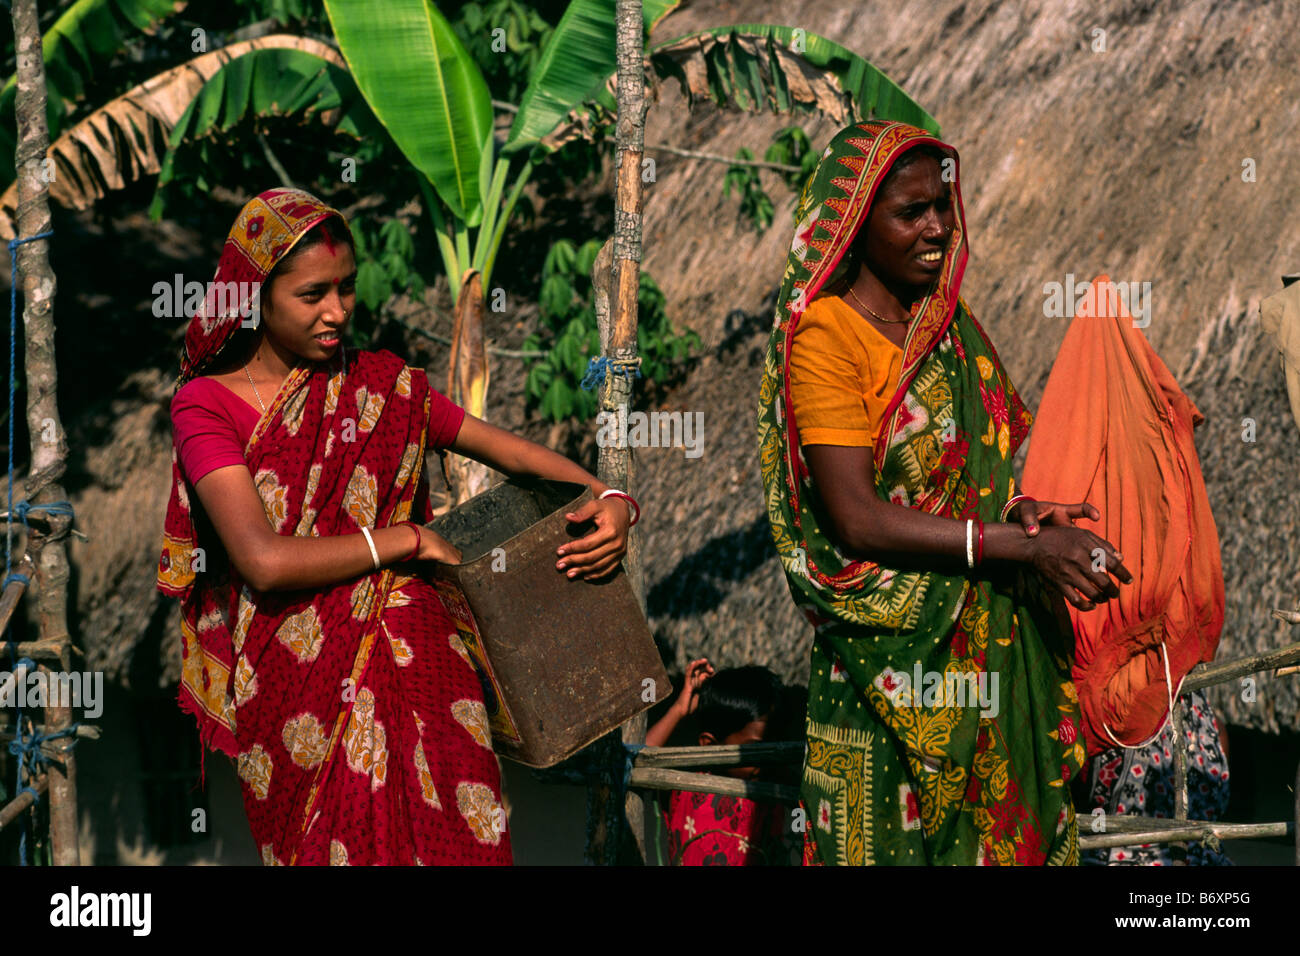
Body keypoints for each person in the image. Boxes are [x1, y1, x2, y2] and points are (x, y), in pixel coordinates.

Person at [156, 187, 636, 865]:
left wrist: (609, 495)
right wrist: (403, 540)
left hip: (424, 664)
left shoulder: (385, 388)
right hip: (295, 687)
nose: (337, 312)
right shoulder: (206, 406)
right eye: (312, 294)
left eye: (347, 289)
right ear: (253, 297)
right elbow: (261, 559)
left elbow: (514, 452)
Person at [756, 120, 1133, 865]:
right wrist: (1020, 546)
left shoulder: (950, 329)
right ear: (857, 227)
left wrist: (1023, 512)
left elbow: (970, 481)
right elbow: (858, 522)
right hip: (883, 668)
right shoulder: (827, 337)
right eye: (910, 212)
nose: (937, 227)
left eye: (943, 205)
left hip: (989, 656)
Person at [647, 659, 802, 865]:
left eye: (774, 745)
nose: (767, 758)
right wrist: (679, 710)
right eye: (757, 748)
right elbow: (638, 759)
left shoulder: (775, 788)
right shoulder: (686, 786)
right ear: (709, 744)